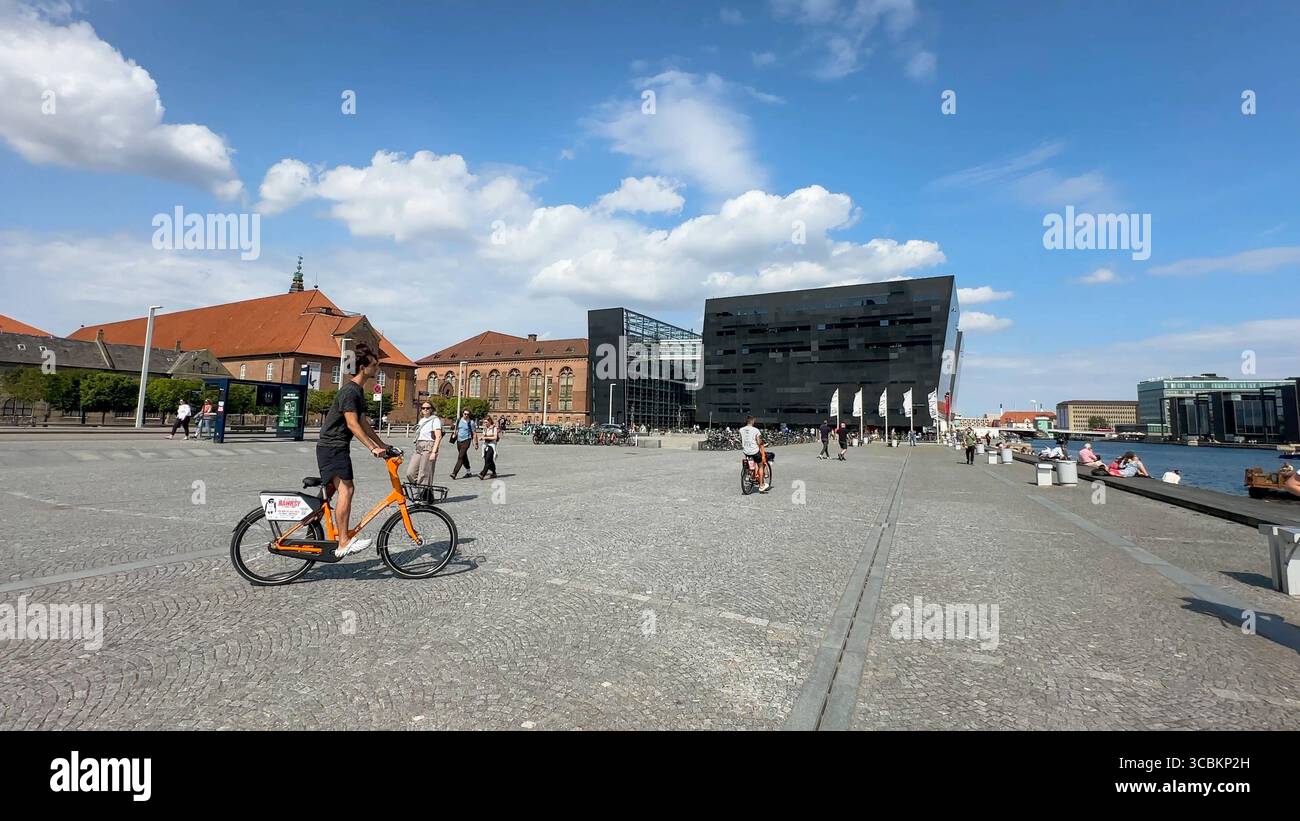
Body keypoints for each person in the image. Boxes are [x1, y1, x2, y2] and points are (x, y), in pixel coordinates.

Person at [316, 342, 391, 558]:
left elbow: (363, 422)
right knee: (346, 490)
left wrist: (382, 445)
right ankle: (343, 542)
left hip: (335, 447)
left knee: (330, 493)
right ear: (362, 367)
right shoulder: (350, 391)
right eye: (374, 365)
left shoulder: (357, 391)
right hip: (333, 447)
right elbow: (352, 424)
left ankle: (309, 523)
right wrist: (371, 448)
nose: (377, 369)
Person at [405, 401, 442, 486]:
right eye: (423, 408)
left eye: (427, 408)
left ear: (431, 409)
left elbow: (438, 436)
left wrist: (434, 452)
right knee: (410, 473)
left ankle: (422, 494)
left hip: (428, 446)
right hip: (419, 447)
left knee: (424, 473)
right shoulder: (421, 421)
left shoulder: (435, 420)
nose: (425, 410)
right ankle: (423, 490)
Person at [739, 415, 769, 492]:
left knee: (750, 463)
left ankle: (749, 473)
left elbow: (742, 439)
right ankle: (762, 485)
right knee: (760, 465)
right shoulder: (756, 430)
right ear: (752, 421)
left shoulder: (741, 430)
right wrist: (762, 443)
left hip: (746, 451)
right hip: (754, 451)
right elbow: (759, 442)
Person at [449, 409, 478, 479]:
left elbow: (474, 433)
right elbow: (455, 429)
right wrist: (454, 433)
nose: (466, 415)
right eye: (465, 414)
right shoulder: (459, 420)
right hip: (459, 440)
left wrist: (475, 443)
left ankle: (454, 473)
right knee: (464, 456)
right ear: (462, 414)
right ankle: (468, 471)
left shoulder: (471, 422)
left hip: (467, 440)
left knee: (460, 456)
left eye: (467, 414)